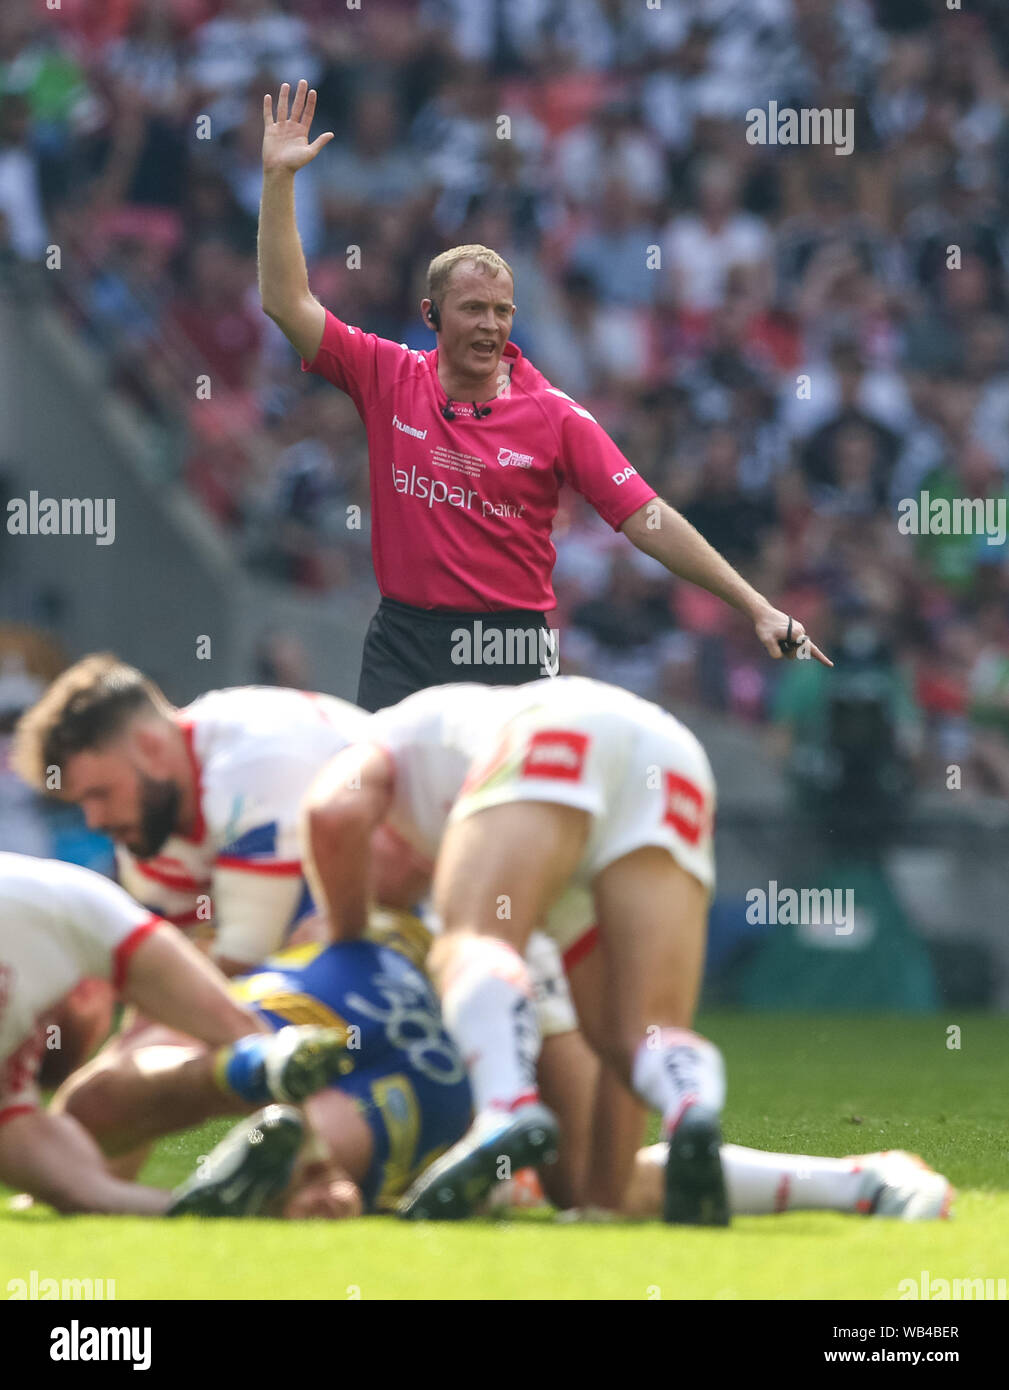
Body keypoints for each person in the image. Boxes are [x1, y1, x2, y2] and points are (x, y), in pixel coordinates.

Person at [257, 80, 830, 711]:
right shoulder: (385, 374)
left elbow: (648, 517)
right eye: (471, 309)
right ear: (431, 315)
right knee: (387, 804)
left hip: (510, 649)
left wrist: (754, 604)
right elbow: (287, 303)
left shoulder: (554, 415)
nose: (489, 324)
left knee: (503, 809)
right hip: (402, 641)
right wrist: (280, 180)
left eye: (502, 310)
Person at [302, 675, 732, 1221]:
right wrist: (602, 1206)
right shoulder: (555, 876)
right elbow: (614, 1065)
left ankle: (505, 1108)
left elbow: (331, 814)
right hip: (672, 759)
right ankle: (689, 1104)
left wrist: (348, 934)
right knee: (637, 1032)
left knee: (472, 938)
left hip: (555, 731)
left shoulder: (382, 738)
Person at [0, 852, 353, 1216]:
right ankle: (241, 1076)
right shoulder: (71, 902)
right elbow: (239, 1029)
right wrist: (319, 1166)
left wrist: (316, 1168)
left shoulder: (72, 908)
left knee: (83, 1180)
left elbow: (56, 1165)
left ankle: (199, 1204)